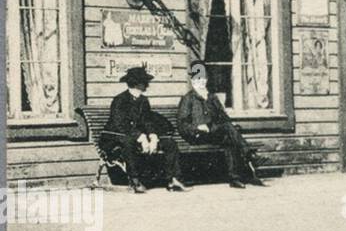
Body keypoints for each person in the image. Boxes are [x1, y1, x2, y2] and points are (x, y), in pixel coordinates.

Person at [177, 65, 264, 188]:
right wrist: (196, 128)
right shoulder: (188, 99)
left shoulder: (212, 98)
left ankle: (235, 178)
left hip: (213, 133)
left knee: (229, 139)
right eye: (197, 79)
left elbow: (223, 116)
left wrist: (228, 125)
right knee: (229, 130)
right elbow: (182, 124)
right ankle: (250, 156)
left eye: (203, 78)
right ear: (192, 81)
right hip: (196, 136)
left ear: (207, 80)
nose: (201, 81)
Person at [101, 66, 184, 194]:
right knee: (128, 142)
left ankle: (172, 179)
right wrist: (140, 137)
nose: (148, 85)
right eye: (145, 82)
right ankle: (135, 180)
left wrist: (153, 136)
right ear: (138, 83)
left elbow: (148, 120)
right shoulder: (119, 100)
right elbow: (120, 124)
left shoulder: (143, 100)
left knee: (169, 142)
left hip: (138, 135)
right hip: (115, 137)